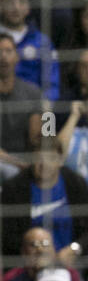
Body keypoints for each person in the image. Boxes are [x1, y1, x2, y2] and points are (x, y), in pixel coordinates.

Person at [0, 140, 88, 268]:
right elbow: (8, 236)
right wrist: (36, 254)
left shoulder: (76, 184)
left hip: (70, 262)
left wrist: (75, 248)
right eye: (38, 158)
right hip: (28, 265)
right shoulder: (13, 189)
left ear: (60, 161)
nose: (44, 165)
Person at [1, 0, 58, 99]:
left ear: (28, 7)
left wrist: (44, 111)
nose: (16, 8)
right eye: (11, 2)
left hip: (33, 109)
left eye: (21, 2)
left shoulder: (42, 42)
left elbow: (51, 85)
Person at [2, 226, 84, 281]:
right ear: (23, 252)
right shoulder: (10, 280)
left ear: (54, 249)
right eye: (33, 245)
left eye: (45, 244)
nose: (40, 249)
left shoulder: (70, 275)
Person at [0, 32, 42, 177]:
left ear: (17, 57)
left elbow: (47, 127)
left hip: (26, 163)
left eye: (8, 51)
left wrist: (46, 141)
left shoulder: (33, 92)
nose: (3, 56)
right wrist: (16, 163)